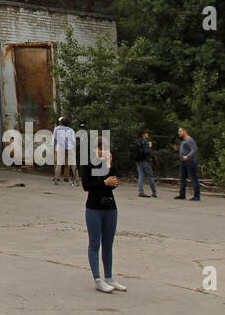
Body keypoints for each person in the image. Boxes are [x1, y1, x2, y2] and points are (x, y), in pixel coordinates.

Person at [81, 134, 126, 292]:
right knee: (95, 244)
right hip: (93, 208)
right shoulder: (87, 164)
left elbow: (113, 184)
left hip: (110, 208)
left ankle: (109, 277)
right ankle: (98, 279)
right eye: (101, 149)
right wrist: (104, 182)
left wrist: (109, 165)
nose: (104, 152)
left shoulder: (107, 164)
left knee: (108, 244)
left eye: (106, 149)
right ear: (95, 150)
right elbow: (87, 185)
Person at [174, 127, 201, 201]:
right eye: (178, 131)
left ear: (185, 131)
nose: (179, 133)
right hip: (183, 161)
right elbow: (185, 150)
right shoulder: (184, 141)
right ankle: (182, 194)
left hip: (190, 161)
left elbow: (194, 149)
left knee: (193, 178)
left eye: (180, 131)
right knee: (182, 178)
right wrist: (177, 150)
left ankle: (197, 196)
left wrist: (188, 156)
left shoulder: (190, 140)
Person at [131, 130, 157, 197]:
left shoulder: (136, 141)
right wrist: (150, 146)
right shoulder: (144, 141)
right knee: (150, 176)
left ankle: (141, 191)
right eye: (147, 133)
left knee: (141, 175)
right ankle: (154, 192)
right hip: (145, 161)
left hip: (137, 161)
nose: (147, 134)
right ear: (143, 134)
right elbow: (147, 152)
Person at [52, 117, 77, 186]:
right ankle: (76, 181)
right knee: (72, 164)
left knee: (59, 164)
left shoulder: (57, 129)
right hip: (70, 148)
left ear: (61, 122)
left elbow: (54, 138)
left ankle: (56, 179)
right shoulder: (71, 130)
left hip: (60, 147)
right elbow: (73, 140)